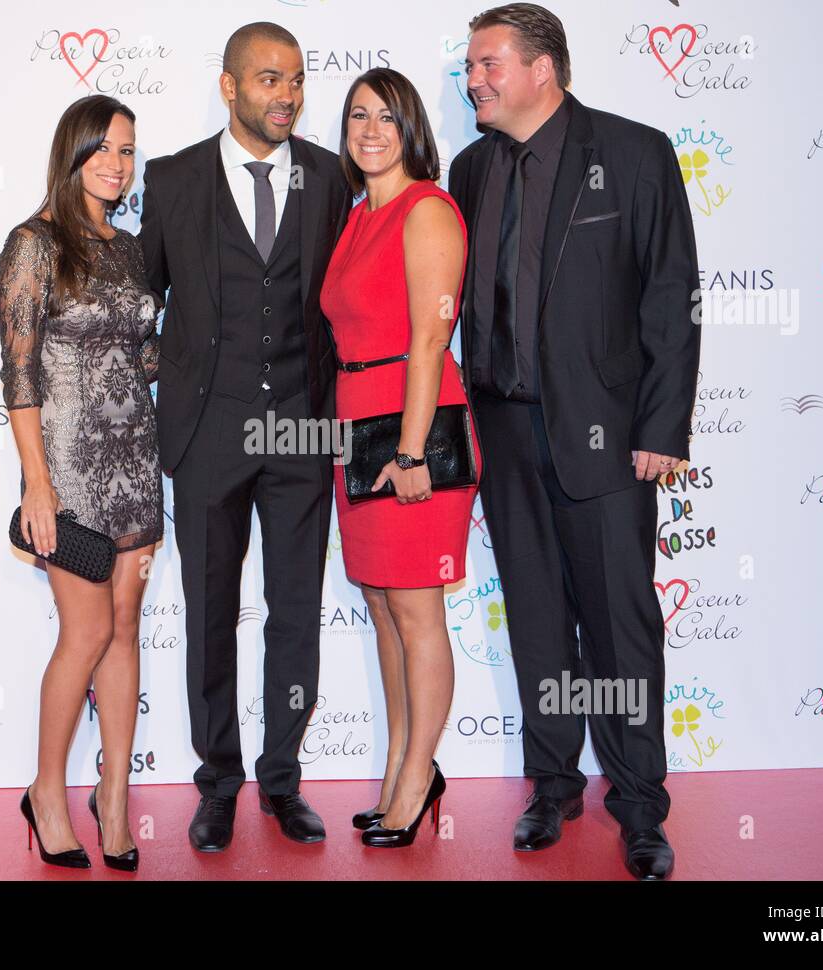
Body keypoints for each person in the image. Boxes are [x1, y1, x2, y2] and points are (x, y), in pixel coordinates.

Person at [451, 4, 701, 880]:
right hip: (506, 433)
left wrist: (661, 429)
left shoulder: (634, 154)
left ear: (542, 69)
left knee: (621, 629)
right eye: (470, 67)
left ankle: (638, 805)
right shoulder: (471, 166)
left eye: (486, 65)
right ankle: (553, 785)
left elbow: (670, 296)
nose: (472, 80)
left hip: (608, 440)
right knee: (538, 622)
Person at [138, 22, 349, 852]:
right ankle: (218, 781)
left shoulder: (332, 178)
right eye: (268, 80)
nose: (286, 96)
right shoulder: (174, 179)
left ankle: (283, 779)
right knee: (209, 616)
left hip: (300, 428)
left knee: (295, 615)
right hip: (208, 434)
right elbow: (140, 305)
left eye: (295, 81)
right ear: (229, 87)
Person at [0, 94, 162, 872]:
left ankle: (116, 798)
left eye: (127, 151)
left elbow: (144, 359)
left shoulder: (130, 249)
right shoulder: (33, 244)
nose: (116, 164)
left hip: (137, 465)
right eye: (102, 148)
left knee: (125, 631)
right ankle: (48, 793)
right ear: (72, 153)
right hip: (69, 471)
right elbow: (19, 373)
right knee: (86, 633)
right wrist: (38, 486)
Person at [319, 68, 479, 848]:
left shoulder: (427, 211)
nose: (370, 129)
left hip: (416, 429)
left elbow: (428, 338)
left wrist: (412, 450)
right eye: (357, 116)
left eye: (386, 116)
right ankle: (398, 768)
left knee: (417, 610)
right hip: (356, 425)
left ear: (412, 127)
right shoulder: (356, 217)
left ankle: (418, 780)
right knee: (382, 607)